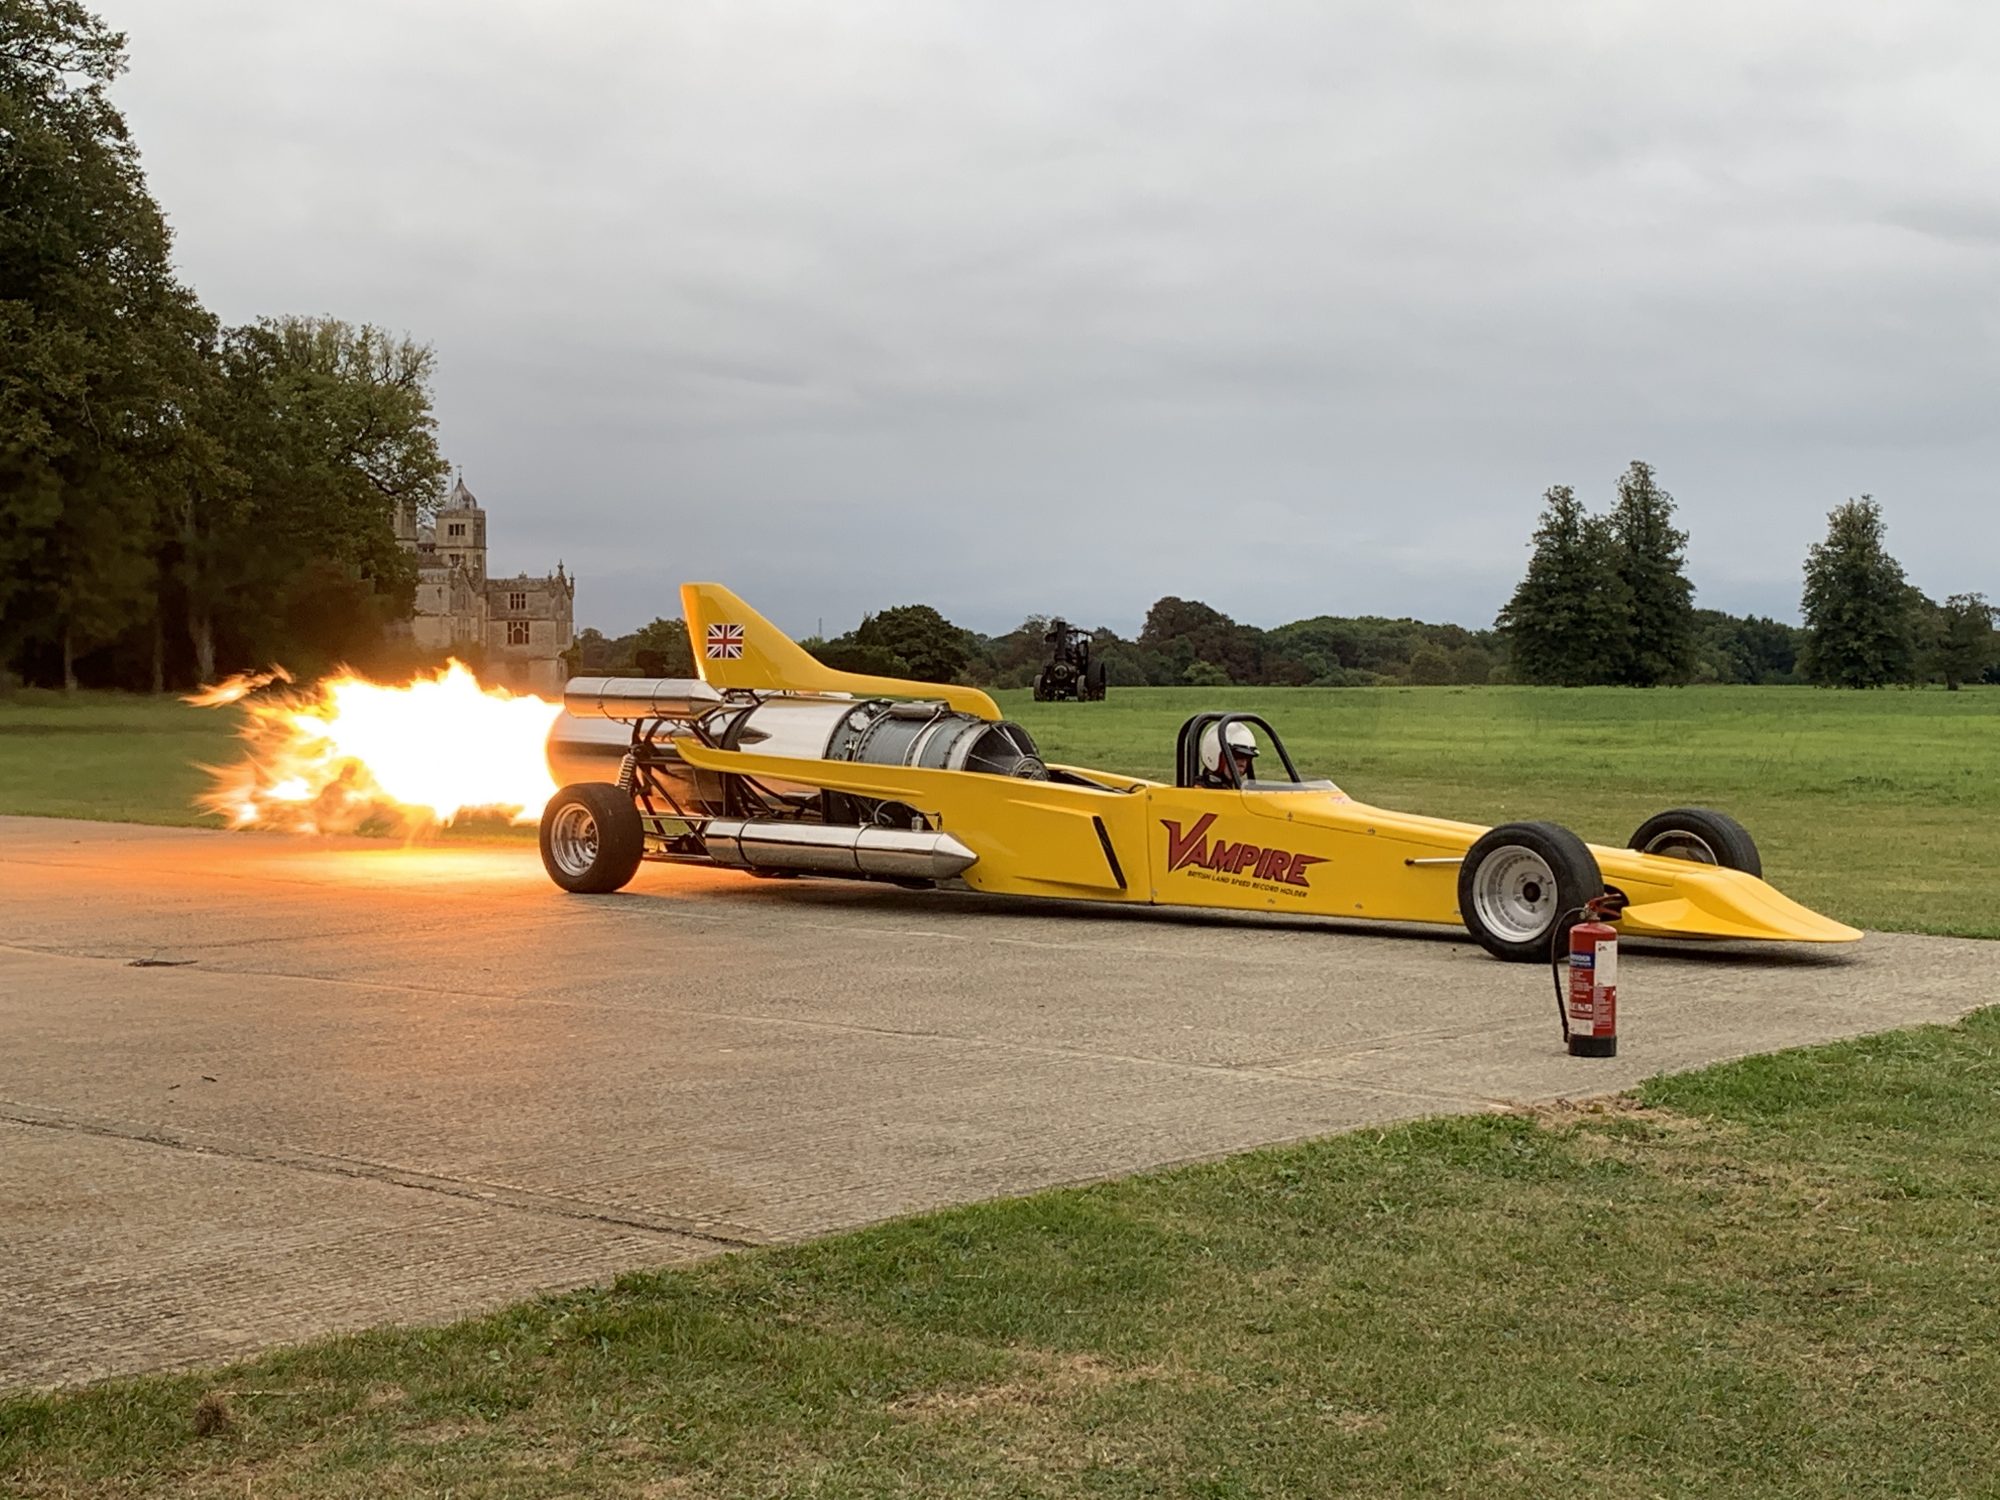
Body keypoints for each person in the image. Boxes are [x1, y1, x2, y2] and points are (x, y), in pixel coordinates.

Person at [1198, 720, 1260, 787]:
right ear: (1215, 756)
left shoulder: (1231, 789)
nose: (1243, 763)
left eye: (1247, 758)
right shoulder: (1198, 791)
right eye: (1237, 756)